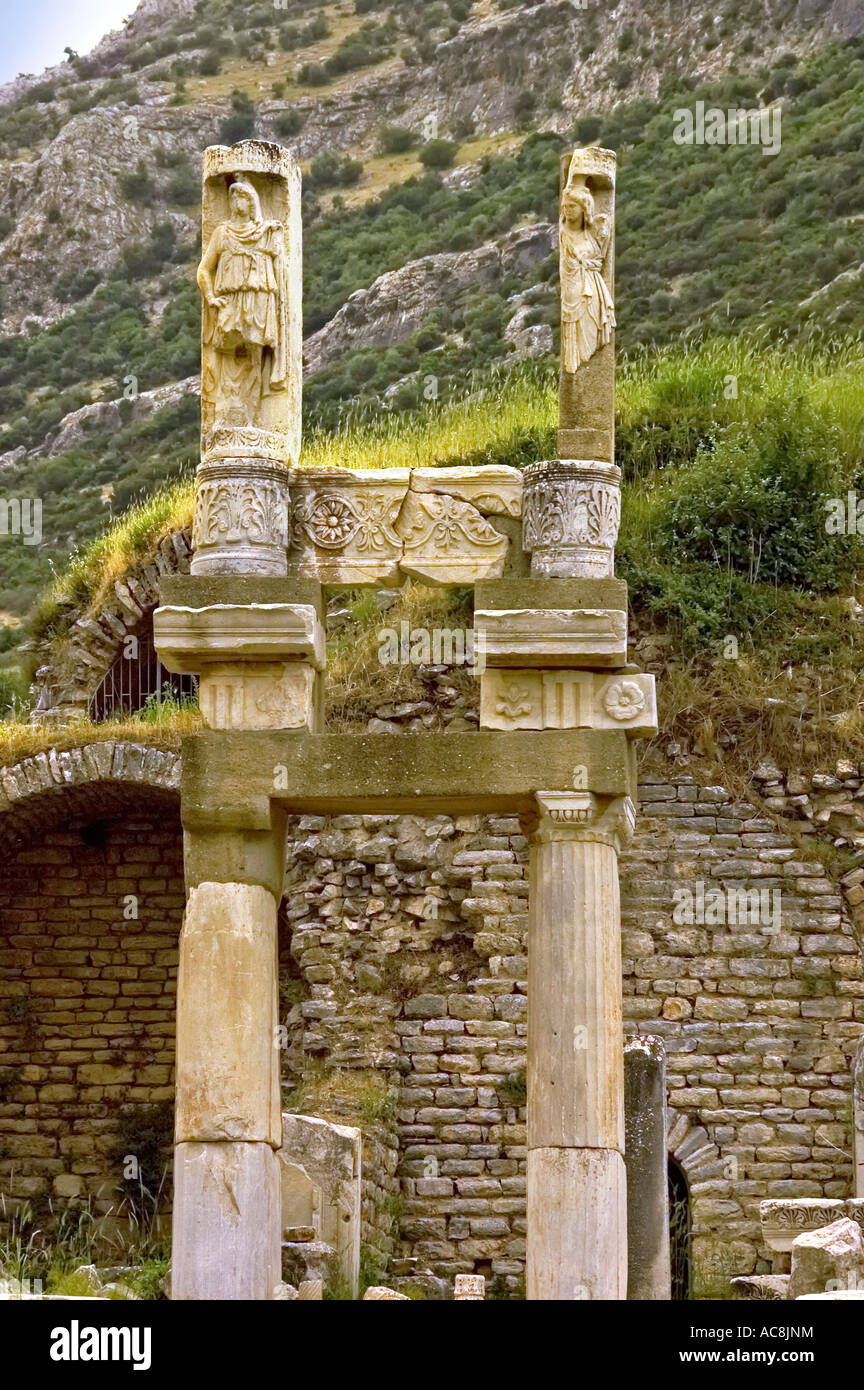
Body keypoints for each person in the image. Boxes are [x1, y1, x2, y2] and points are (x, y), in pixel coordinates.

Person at [197, 178, 289, 423]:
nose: (236, 202)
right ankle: (227, 414)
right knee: (227, 356)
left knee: (255, 358)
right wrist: (210, 297)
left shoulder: (266, 233)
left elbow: (281, 269)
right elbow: (204, 269)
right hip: (230, 301)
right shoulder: (222, 233)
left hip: (259, 301)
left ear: (252, 203)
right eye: (233, 197)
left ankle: (252, 416)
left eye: (242, 197)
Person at [559, 170, 615, 374]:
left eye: (572, 206)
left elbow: (602, 253)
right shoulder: (563, 233)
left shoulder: (593, 233)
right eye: (565, 206)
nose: (567, 210)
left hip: (594, 292)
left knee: (593, 336)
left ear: (584, 209)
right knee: (579, 345)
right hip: (573, 293)